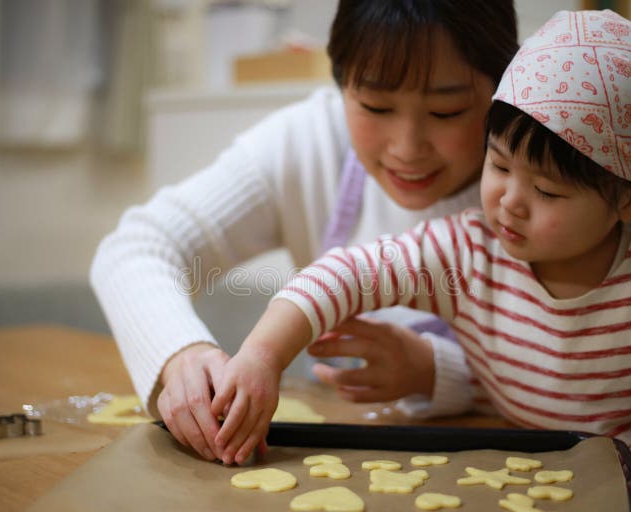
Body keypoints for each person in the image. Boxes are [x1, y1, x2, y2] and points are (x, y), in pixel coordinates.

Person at [211, 10, 631, 493]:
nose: (510, 202)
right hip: (526, 478)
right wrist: (262, 355)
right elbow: (345, 274)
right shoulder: (466, 252)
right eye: (499, 166)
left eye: (546, 191)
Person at [90, 0, 519, 460]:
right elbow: (135, 247)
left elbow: (589, 373)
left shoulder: (545, 181)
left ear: (504, 87)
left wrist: (442, 372)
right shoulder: (311, 143)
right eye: (375, 106)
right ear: (341, 84)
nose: (407, 147)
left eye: (446, 111)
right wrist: (182, 355)